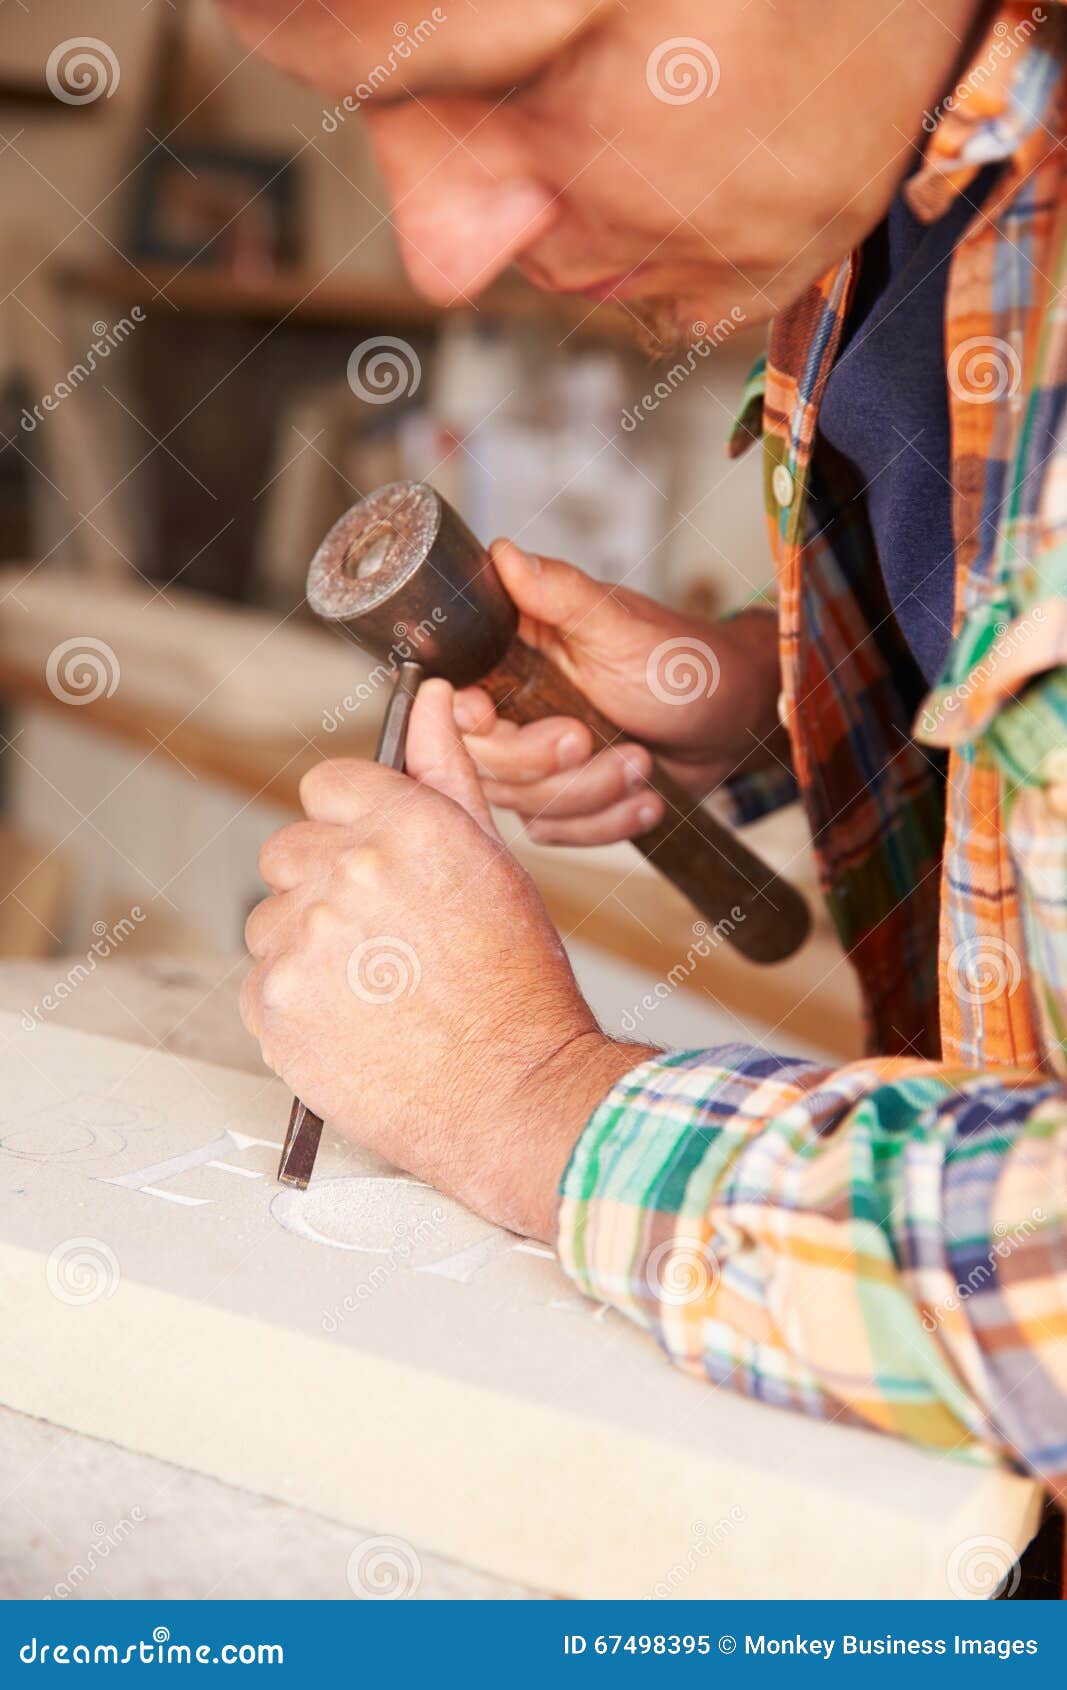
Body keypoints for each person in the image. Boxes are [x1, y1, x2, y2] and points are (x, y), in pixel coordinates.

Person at [225, 0, 1067, 1495]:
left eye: (532, 70)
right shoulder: (909, 182)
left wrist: (535, 1097)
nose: (439, 248)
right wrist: (756, 682)